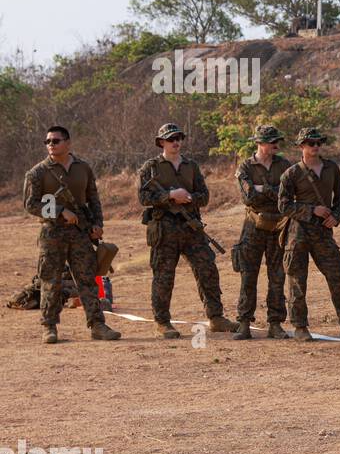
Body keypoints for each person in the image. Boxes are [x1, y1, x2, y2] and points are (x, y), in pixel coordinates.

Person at [137, 123, 237, 339]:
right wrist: (170, 196)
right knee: (164, 276)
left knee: (207, 269)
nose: (176, 142)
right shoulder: (151, 167)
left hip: (191, 226)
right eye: (171, 139)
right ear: (161, 142)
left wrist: (188, 197)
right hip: (164, 228)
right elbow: (144, 198)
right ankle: (163, 322)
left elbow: (205, 196)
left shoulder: (191, 166)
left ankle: (216, 317)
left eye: (179, 138)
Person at [22, 125, 120, 343]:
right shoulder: (37, 172)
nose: (51, 145)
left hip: (80, 233)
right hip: (52, 234)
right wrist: (59, 212)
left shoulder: (83, 168)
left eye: (55, 141)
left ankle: (97, 325)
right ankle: (49, 327)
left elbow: (93, 198)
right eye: (47, 142)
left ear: (67, 143)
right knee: (50, 280)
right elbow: (30, 204)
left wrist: (97, 224)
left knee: (87, 279)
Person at [278, 128, 340, 342]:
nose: (315, 146)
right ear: (301, 146)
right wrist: (311, 210)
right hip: (299, 232)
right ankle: (300, 326)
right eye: (310, 143)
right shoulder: (292, 173)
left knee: (337, 275)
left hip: (323, 231)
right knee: (297, 279)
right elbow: (283, 206)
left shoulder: (331, 168)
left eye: (318, 142)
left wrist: (337, 216)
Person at [233, 125, 293, 340]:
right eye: (271, 141)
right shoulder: (246, 167)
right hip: (254, 227)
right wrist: (272, 191)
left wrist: (263, 189)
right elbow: (248, 197)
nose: (276, 144)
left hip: (278, 226)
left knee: (277, 276)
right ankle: (244, 323)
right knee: (248, 275)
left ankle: (275, 323)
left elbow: (288, 196)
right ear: (259, 143)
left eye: (277, 140)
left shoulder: (285, 165)